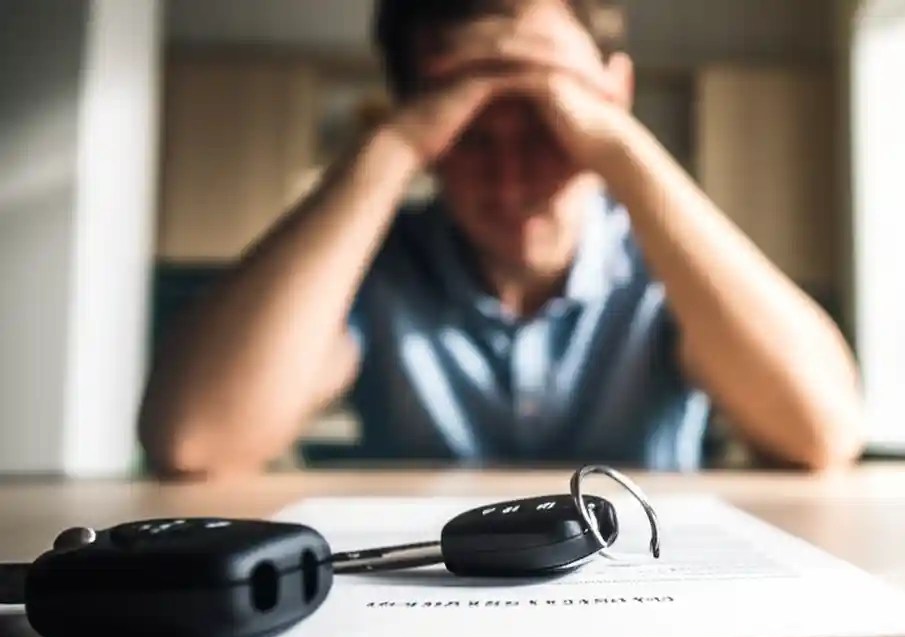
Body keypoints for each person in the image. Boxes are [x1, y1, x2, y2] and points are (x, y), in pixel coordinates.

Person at [139, 0, 865, 476]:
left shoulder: (673, 267)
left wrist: (619, 145)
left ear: (614, 98)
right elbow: (195, 441)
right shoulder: (371, 268)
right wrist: (390, 149)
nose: (512, 178)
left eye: (549, 125)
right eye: (472, 134)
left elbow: (823, 435)